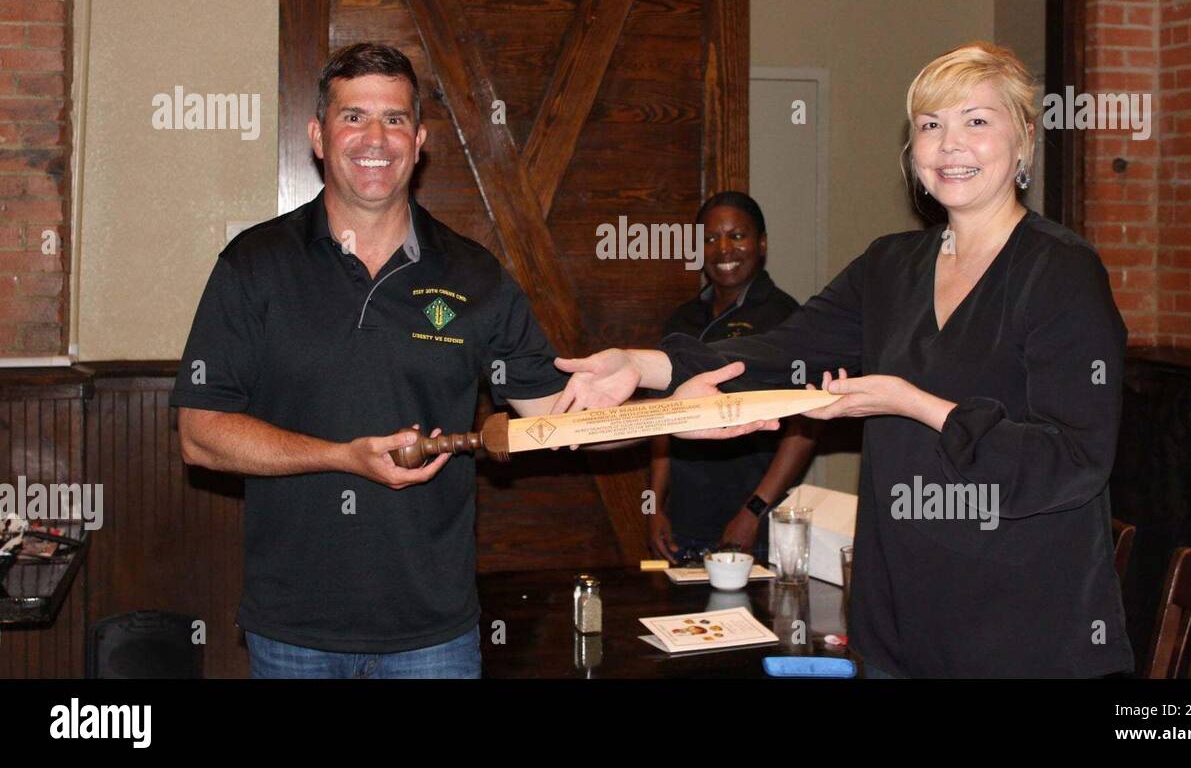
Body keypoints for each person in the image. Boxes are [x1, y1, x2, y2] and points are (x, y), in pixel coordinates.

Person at [171, 43, 764, 679]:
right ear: (319, 136)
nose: (376, 137)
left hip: (435, 635)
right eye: (354, 117)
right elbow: (201, 436)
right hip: (296, 629)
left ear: (419, 140)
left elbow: (556, 418)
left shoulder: (475, 277)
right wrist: (342, 457)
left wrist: (669, 415)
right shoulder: (254, 264)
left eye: (395, 119)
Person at [558, 42, 1135, 678]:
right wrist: (644, 368)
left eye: (976, 120)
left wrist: (916, 404)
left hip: (1023, 631)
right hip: (899, 621)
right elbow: (784, 350)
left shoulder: (1061, 271)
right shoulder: (890, 266)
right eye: (930, 125)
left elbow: (1075, 462)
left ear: (1024, 138)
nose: (950, 144)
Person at [647, 192, 816, 564]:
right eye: (710, 238)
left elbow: (804, 431)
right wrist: (655, 505)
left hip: (751, 523)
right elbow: (664, 415)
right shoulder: (683, 320)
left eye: (737, 235)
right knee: (683, 623)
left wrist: (753, 511)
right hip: (685, 521)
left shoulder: (786, 319)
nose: (723, 248)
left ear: (762, 243)